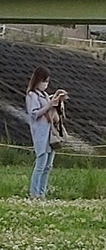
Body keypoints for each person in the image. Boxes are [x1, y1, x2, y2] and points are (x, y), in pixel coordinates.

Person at [25, 67, 67, 200]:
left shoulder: (44, 95)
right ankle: (34, 193)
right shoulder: (32, 95)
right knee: (40, 164)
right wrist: (50, 105)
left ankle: (42, 193)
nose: (46, 84)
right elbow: (34, 113)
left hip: (50, 134)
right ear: (38, 80)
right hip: (41, 134)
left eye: (47, 81)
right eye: (44, 81)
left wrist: (57, 100)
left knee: (48, 166)